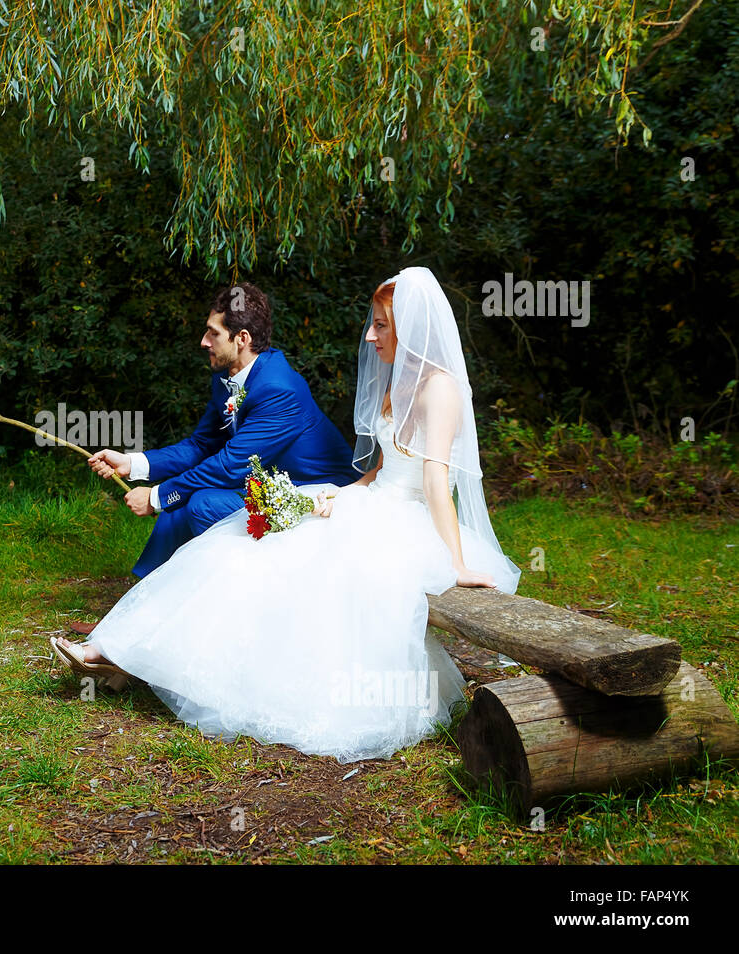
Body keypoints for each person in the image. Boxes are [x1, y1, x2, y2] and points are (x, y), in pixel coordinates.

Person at [52, 267, 521, 763]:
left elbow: (432, 483)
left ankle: (142, 653)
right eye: (374, 323)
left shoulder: (433, 389)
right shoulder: (391, 386)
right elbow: (378, 470)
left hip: (398, 518)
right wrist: (339, 495)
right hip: (353, 498)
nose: (370, 334)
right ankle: (127, 646)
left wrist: (457, 563)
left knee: (254, 545)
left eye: (381, 325)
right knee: (232, 546)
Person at [82, 283, 356, 598]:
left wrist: (157, 498)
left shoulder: (279, 389)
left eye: (213, 333)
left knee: (200, 503)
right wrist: (133, 463)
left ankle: (217, 603)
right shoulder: (228, 377)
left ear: (242, 339)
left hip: (317, 500)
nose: (203, 341)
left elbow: (229, 467)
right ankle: (139, 606)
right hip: (269, 485)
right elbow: (201, 446)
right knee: (182, 505)